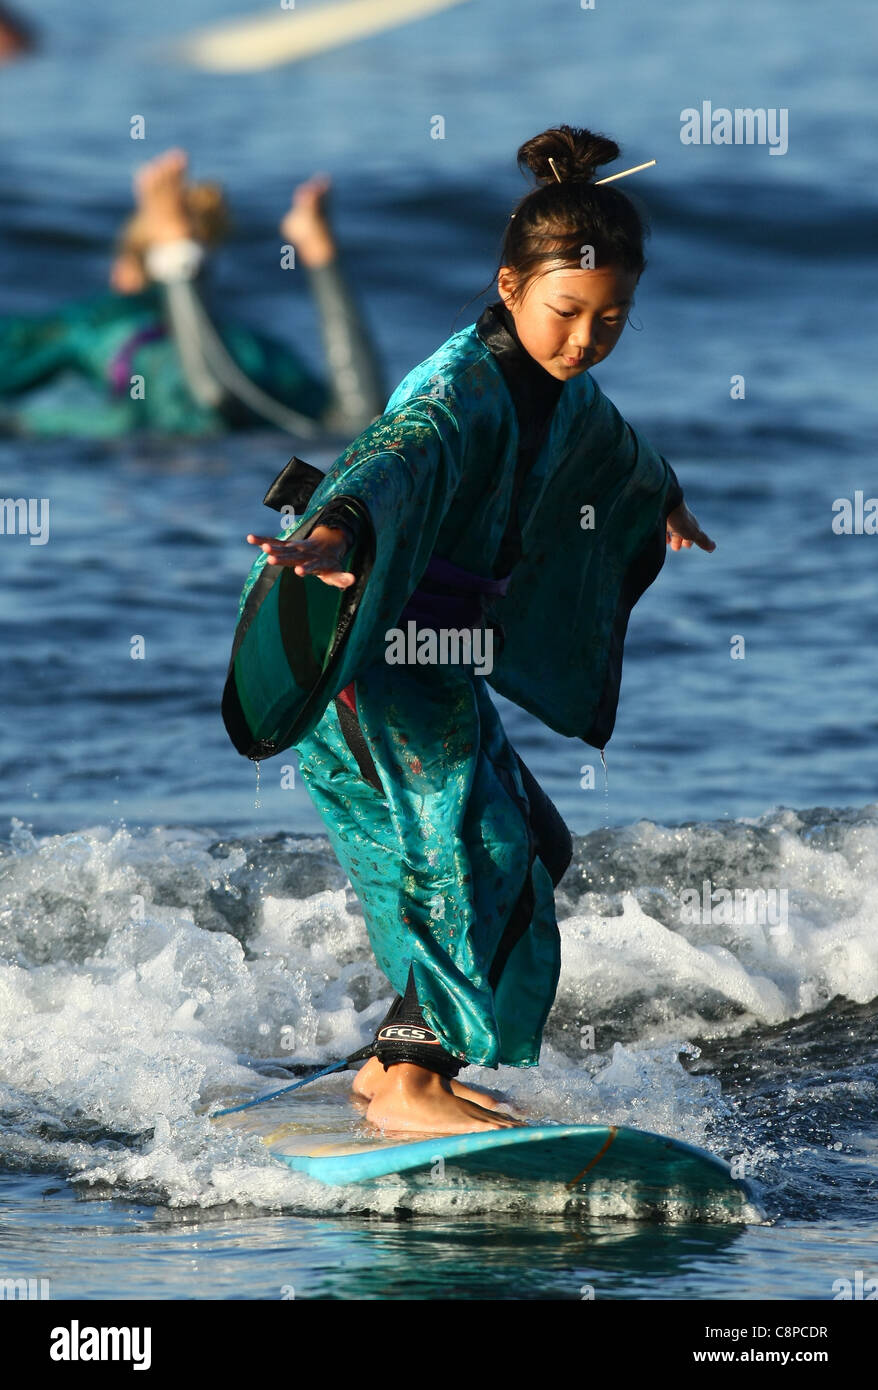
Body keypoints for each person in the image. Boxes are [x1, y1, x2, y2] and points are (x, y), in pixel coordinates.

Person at [227, 124, 716, 1135]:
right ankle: (406, 1085)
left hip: (435, 659)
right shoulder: (456, 390)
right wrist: (332, 531)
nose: (584, 339)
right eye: (566, 312)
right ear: (509, 288)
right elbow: (392, 459)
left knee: (530, 840)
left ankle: (399, 1068)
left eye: (610, 318)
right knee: (474, 849)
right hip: (366, 642)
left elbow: (610, 445)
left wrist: (656, 496)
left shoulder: (556, 388)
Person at [0, 148, 385, 437]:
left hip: (179, 435)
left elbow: (208, 403)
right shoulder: (252, 346)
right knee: (361, 420)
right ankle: (320, 256)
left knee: (204, 407)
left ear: (127, 269)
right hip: (233, 437)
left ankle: (177, 252)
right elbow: (357, 420)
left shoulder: (103, 321)